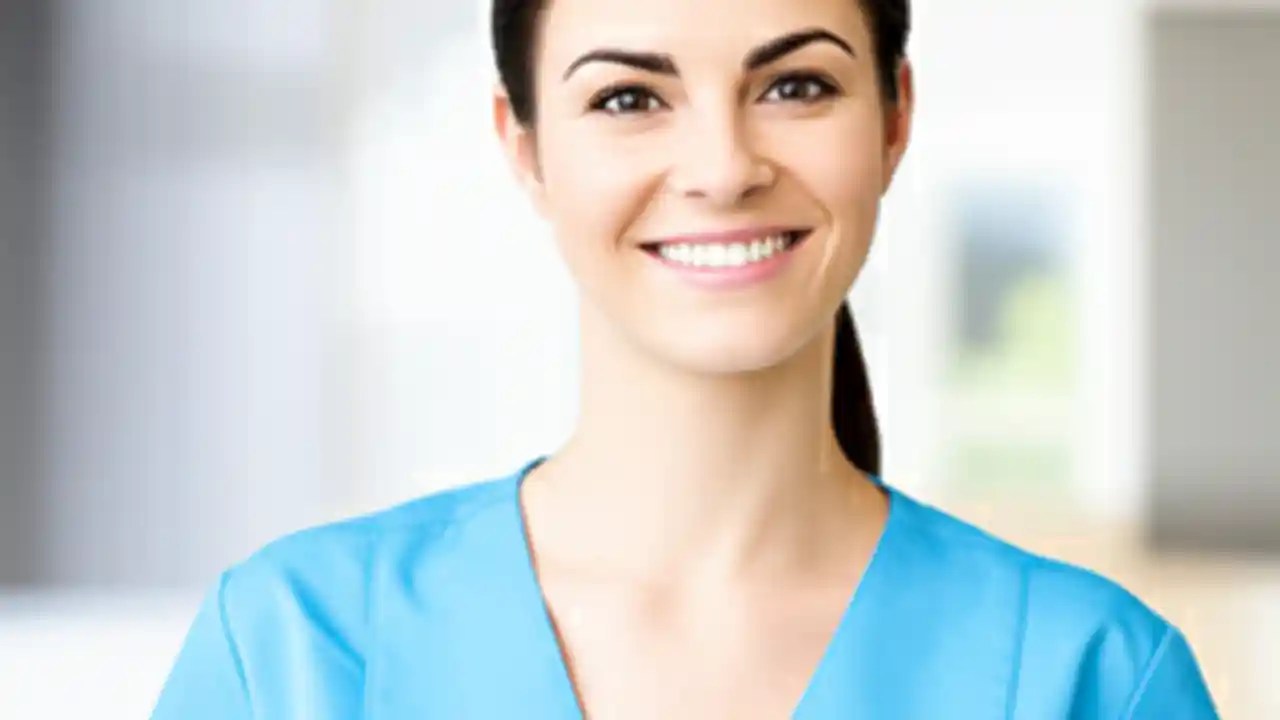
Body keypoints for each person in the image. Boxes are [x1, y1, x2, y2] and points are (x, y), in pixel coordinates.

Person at [151, 0, 1220, 717]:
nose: (720, 167)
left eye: (795, 86)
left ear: (893, 121)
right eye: (628, 98)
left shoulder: (1091, 678)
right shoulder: (293, 649)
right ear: (523, 146)